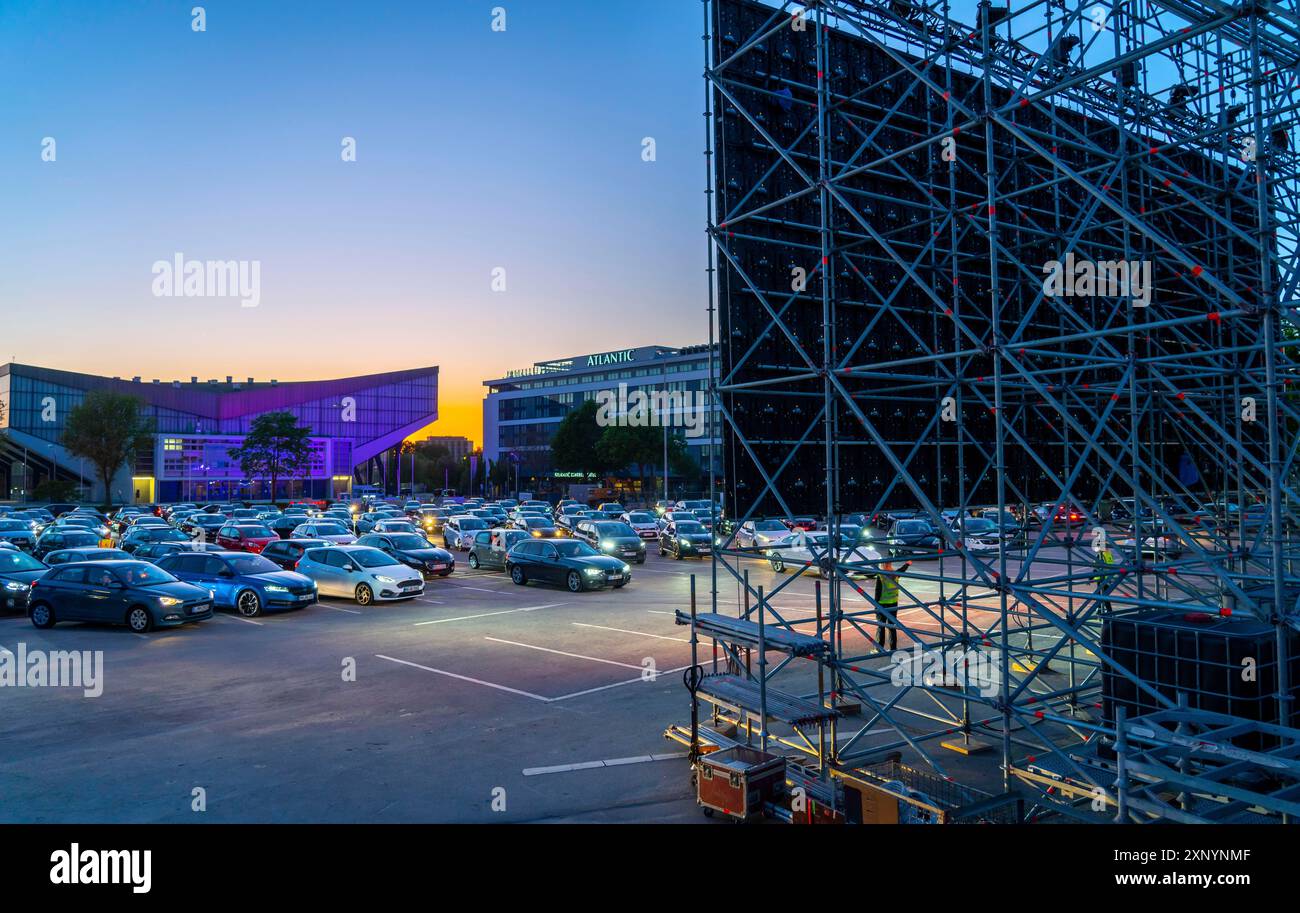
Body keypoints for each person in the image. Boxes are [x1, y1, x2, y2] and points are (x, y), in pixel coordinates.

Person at [874, 559, 912, 652]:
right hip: (893, 603)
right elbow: (902, 570)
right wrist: (907, 563)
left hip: (882, 604)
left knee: (881, 626)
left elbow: (877, 592)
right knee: (892, 626)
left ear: (881, 565)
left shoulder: (881, 576)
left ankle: (879, 648)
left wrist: (876, 605)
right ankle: (893, 648)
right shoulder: (895, 574)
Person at [1092, 545, 1116, 614]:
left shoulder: (1100, 555)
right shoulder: (1108, 554)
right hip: (1107, 578)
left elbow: (1096, 567)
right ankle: (1103, 609)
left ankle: (1107, 611)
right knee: (1102, 595)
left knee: (1101, 596)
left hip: (1102, 578)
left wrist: (1091, 577)